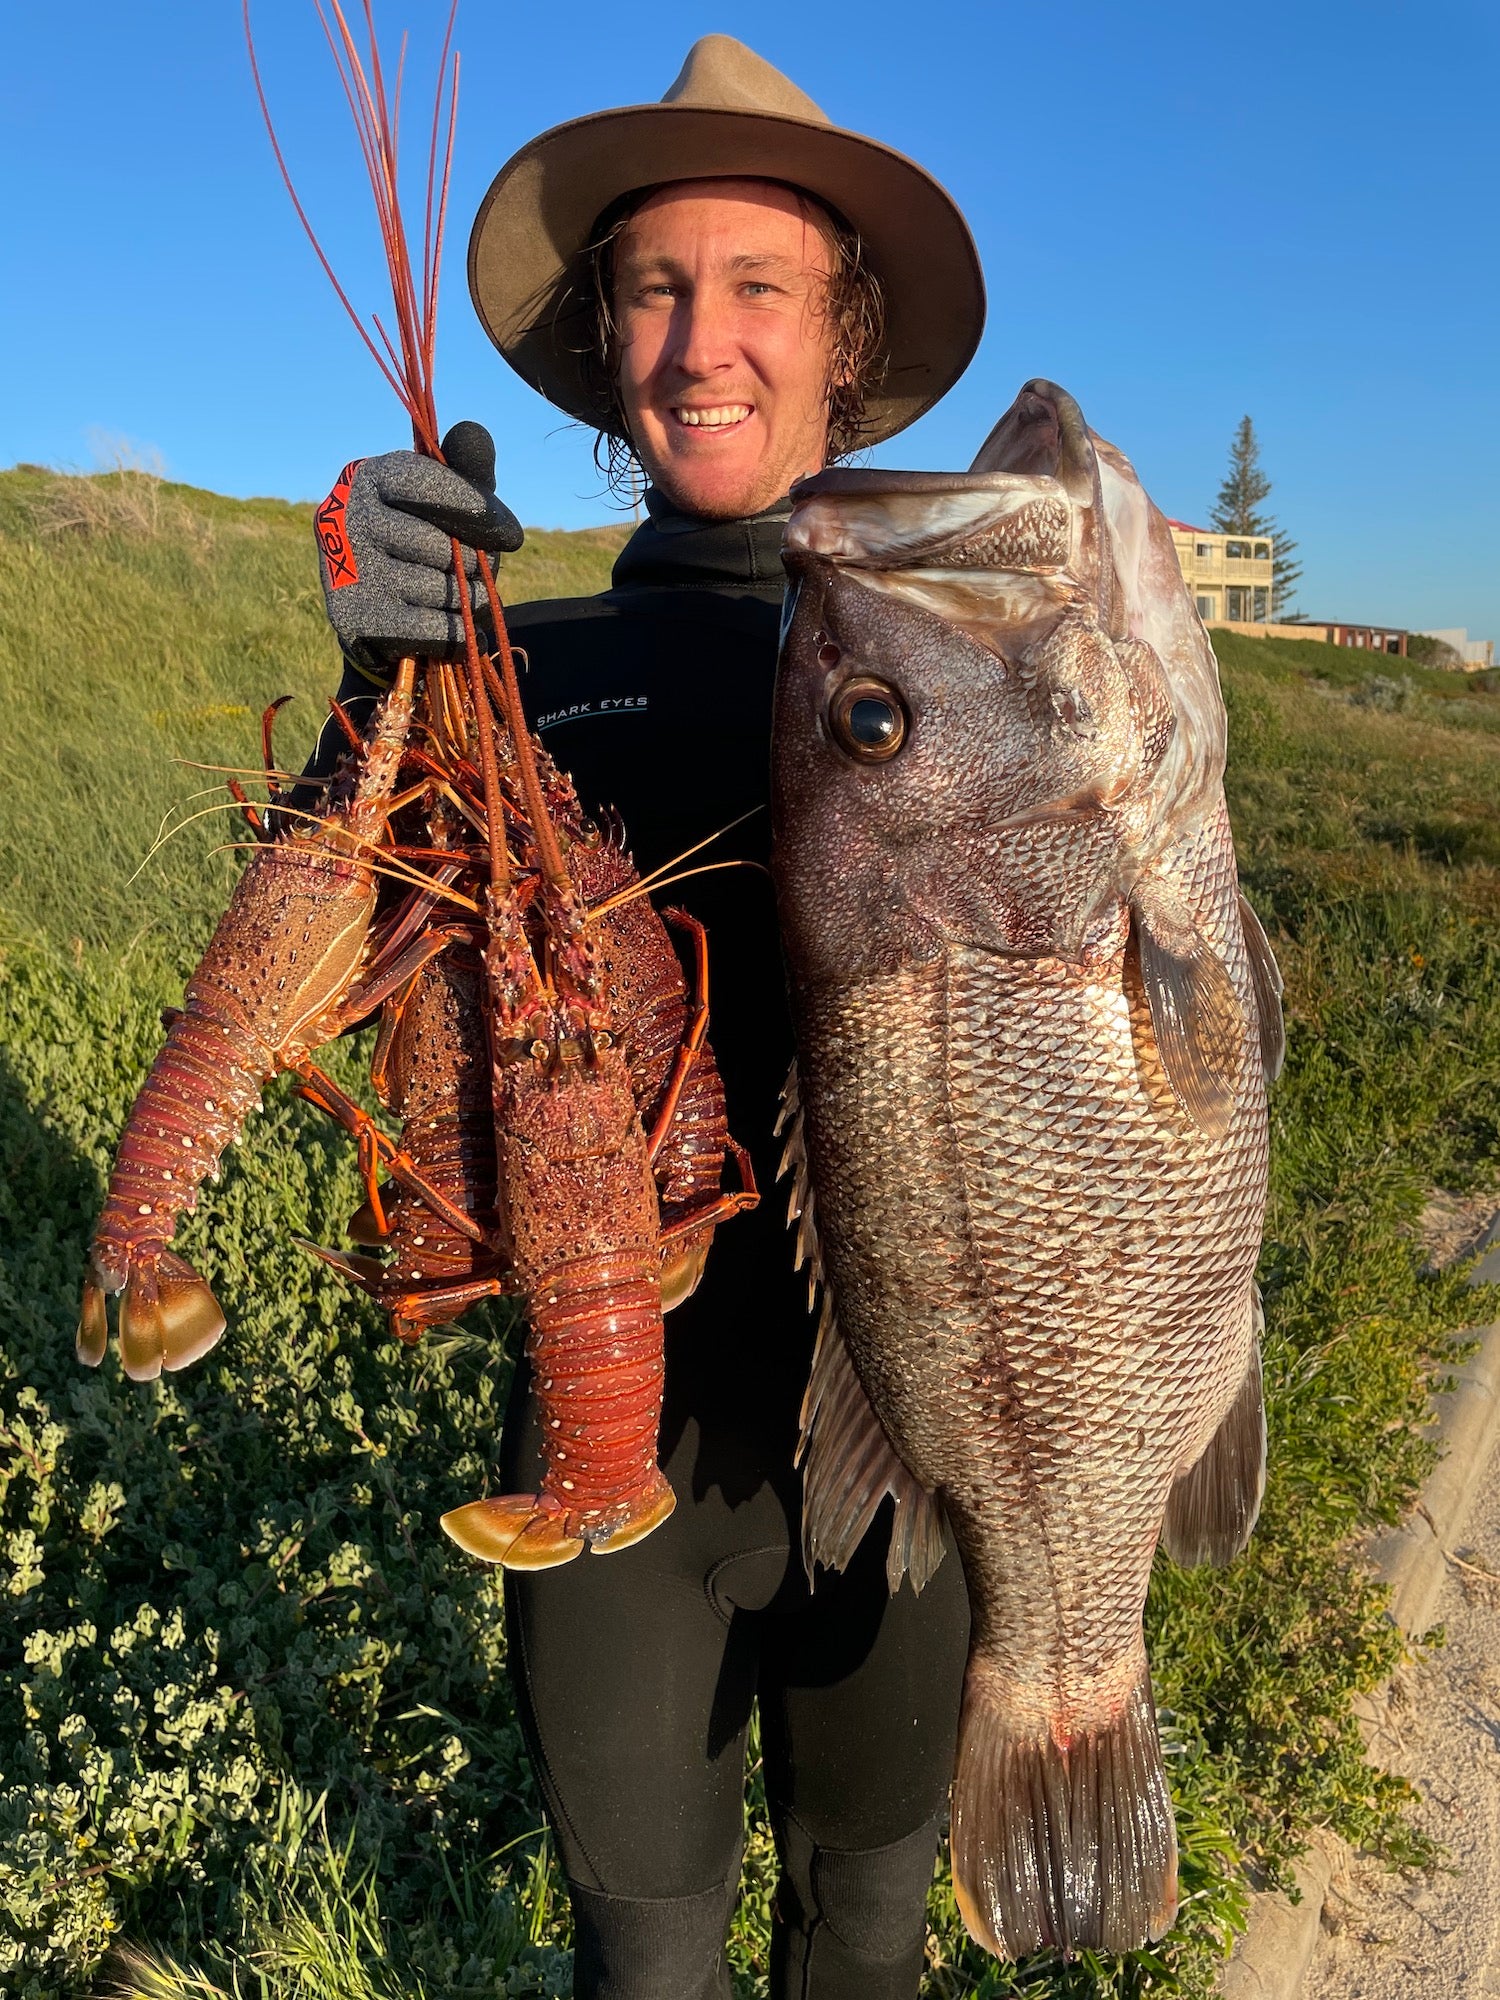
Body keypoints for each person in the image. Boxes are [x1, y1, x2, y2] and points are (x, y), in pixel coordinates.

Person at [310, 36, 985, 2000]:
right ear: (607, 344)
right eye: (659, 289)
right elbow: (340, 965)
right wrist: (384, 695)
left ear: (842, 338)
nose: (704, 344)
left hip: (912, 1459)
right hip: (619, 1486)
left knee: (865, 1934)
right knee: (646, 1959)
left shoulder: (954, 684)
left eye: (760, 285)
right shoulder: (528, 669)